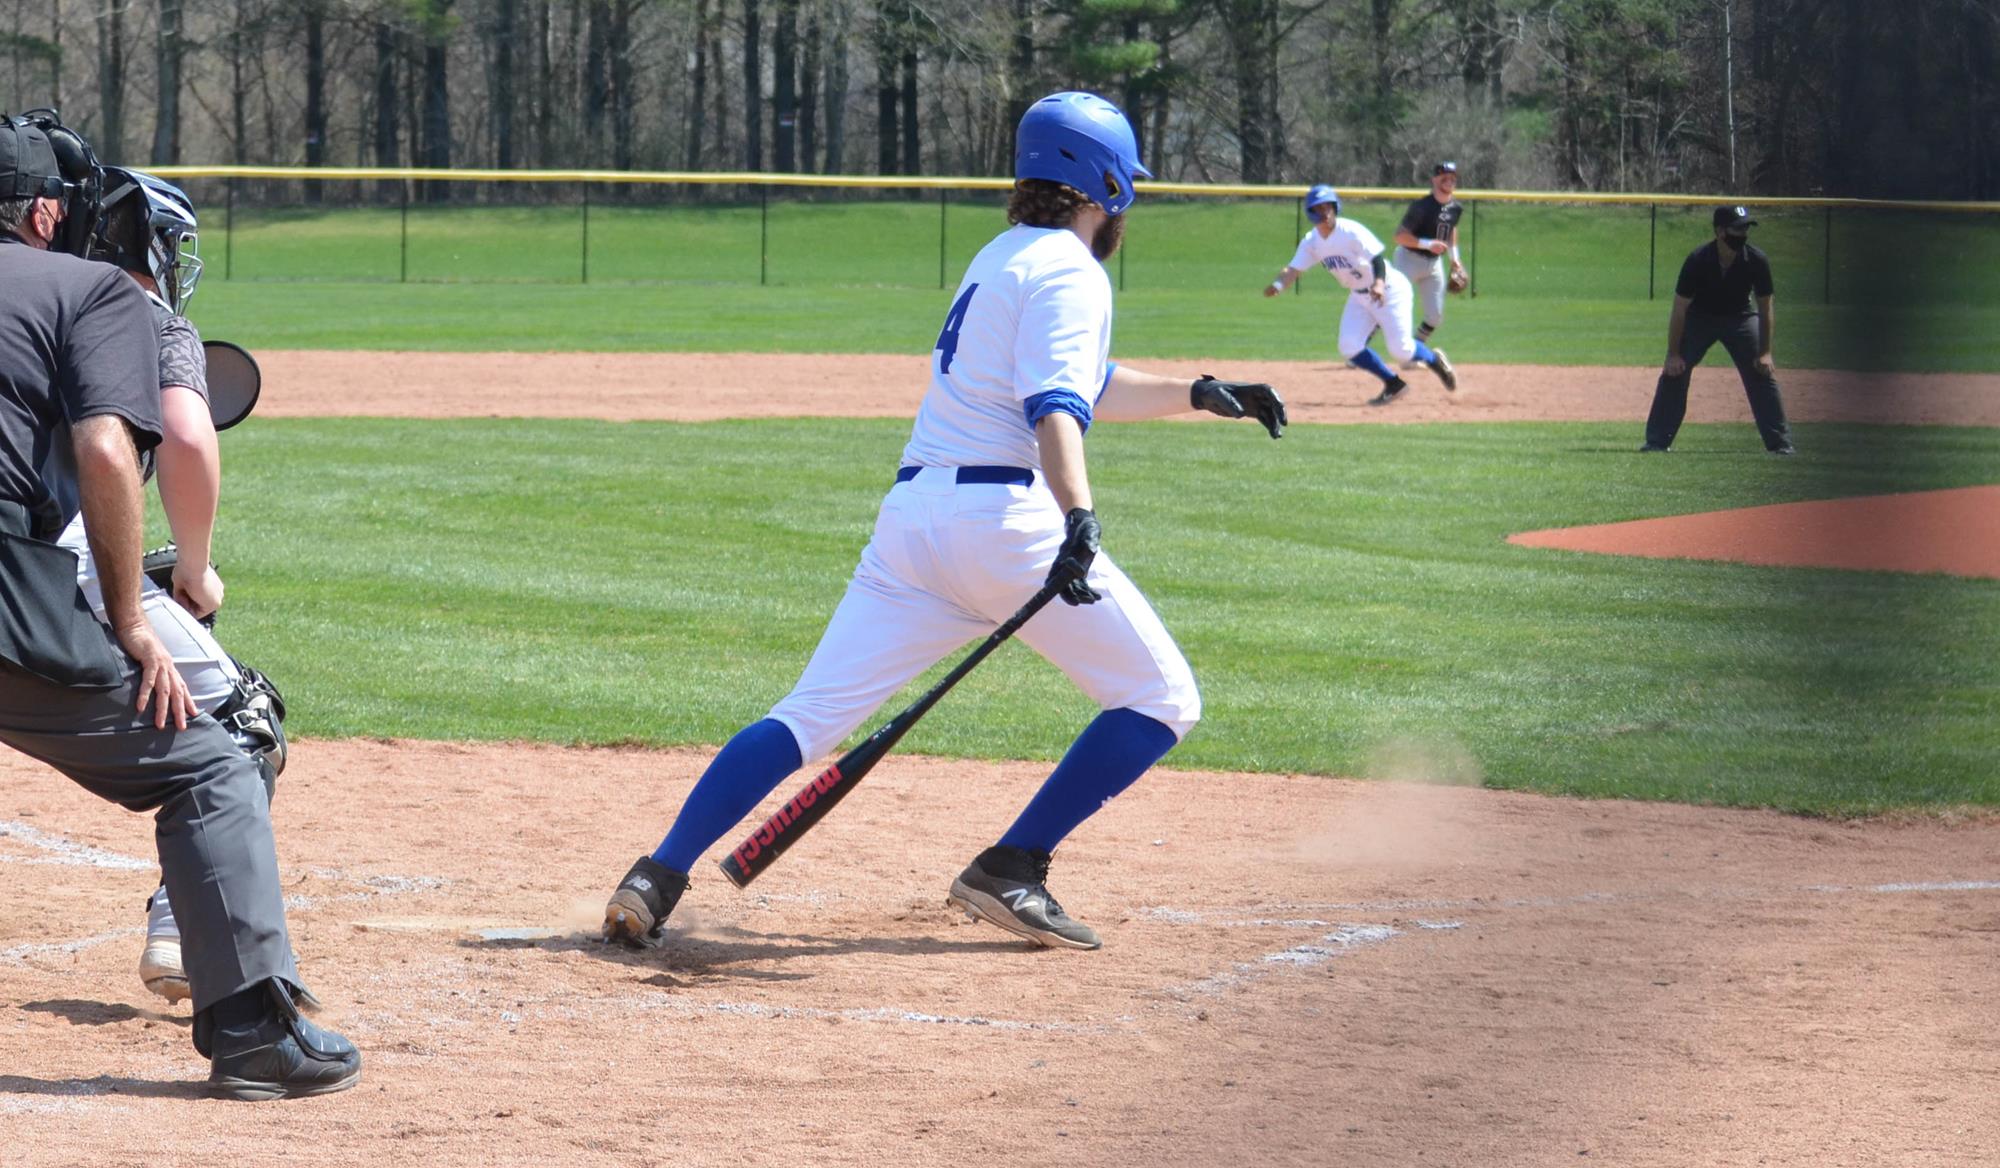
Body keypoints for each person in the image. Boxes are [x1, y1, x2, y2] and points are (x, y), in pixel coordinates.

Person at [604, 91, 1287, 952]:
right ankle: (1012, 867)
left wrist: (1195, 393)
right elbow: (1056, 406)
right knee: (1160, 698)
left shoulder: (1001, 255)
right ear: (1106, 186)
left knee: (809, 716)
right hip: (1002, 523)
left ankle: (656, 874)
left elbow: (1081, 380)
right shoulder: (1076, 270)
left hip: (914, 520)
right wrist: (1078, 515)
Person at [0, 111, 356, 1100]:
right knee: (214, 760)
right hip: (13, 609)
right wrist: (130, 621)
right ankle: (250, 1032)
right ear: (40, 215)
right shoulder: (92, 288)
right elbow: (116, 452)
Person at [52, 162, 293, 1006]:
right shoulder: (140, 313)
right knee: (246, 728)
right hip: (55, 574)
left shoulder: (29, 294)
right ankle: (182, 928)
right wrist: (194, 565)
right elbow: (185, 437)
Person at [1264, 184, 1456, 406]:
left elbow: (1376, 258)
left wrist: (1379, 284)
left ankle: (1434, 360)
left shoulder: (1350, 231)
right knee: (1349, 345)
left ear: (1336, 208)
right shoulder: (1312, 242)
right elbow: (1294, 269)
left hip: (1390, 291)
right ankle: (1394, 384)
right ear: (1311, 213)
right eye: (1319, 208)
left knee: (1402, 350)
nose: (1326, 212)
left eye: (1329, 206)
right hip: (1359, 296)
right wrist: (1278, 284)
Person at [1642, 205, 1793, 454]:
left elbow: (1766, 307)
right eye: (1737, 228)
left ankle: (1780, 444)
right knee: (1675, 372)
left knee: (1761, 372)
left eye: (1746, 228)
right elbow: (1680, 309)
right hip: (1700, 318)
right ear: (1720, 232)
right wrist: (1673, 353)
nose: (1742, 234)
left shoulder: (1756, 260)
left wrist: (1765, 352)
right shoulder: (1698, 260)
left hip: (1741, 318)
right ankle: (1657, 441)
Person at [1391, 161, 1469, 350]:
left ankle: (1416, 349)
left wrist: (1455, 259)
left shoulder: (1455, 208)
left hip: (1433, 264)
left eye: (1452, 177)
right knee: (1390, 306)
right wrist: (1427, 244)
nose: (1449, 180)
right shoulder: (1421, 206)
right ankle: (1359, 349)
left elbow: (1451, 230)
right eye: (1444, 176)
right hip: (1407, 260)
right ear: (1435, 180)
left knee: (1435, 316)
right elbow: (1399, 236)